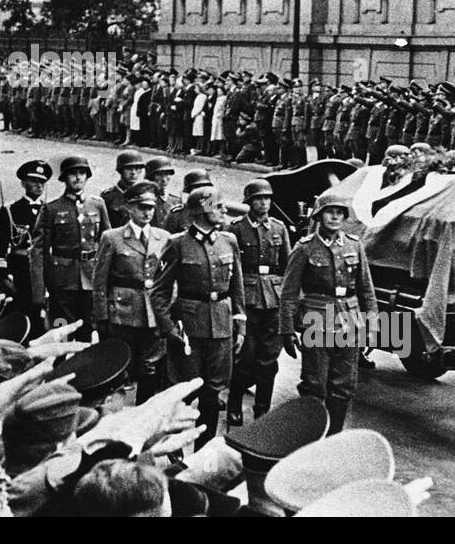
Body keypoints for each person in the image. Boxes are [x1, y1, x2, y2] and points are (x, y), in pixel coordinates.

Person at [280, 195, 377, 434]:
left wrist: (372, 326)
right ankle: (309, 439)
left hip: (349, 322)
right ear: (318, 216)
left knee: (344, 385)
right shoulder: (305, 248)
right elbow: (289, 293)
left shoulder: (354, 245)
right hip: (316, 320)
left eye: (339, 212)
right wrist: (287, 330)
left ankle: (334, 438)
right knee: (315, 384)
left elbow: (366, 289)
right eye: (329, 212)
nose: (334, 217)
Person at [156, 186, 245, 448]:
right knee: (183, 391)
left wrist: (240, 326)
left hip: (222, 328)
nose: (224, 211)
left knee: (213, 393)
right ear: (203, 209)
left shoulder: (229, 241)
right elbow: (158, 293)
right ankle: (171, 449)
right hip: (189, 331)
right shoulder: (177, 244)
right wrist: (170, 330)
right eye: (219, 206)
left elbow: (236, 288)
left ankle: (203, 450)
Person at [93, 180, 171, 404]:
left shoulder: (163, 237)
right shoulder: (112, 237)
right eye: (141, 207)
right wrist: (102, 317)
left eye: (151, 208)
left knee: (150, 367)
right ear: (129, 208)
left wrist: (168, 311)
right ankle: (111, 415)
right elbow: (100, 281)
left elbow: (169, 279)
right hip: (122, 312)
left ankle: (143, 410)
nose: (147, 213)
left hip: (153, 313)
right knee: (119, 365)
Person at [225, 179, 290, 427]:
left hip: (273, 298)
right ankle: (234, 406)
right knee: (245, 358)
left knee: (269, 360)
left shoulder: (279, 228)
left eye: (267, 199)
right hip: (247, 297)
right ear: (249, 202)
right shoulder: (237, 229)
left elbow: (286, 265)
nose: (264, 203)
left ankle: (262, 409)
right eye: (259, 199)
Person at [31, 156, 109, 339]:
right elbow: (38, 251)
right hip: (62, 281)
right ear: (65, 178)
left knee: (87, 330)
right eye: (73, 174)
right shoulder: (51, 209)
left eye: (82, 173)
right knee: (61, 331)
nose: (78, 178)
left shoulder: (97, 204)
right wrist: (39, 292)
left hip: (90, 278)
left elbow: (107, 244)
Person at [0, 161, 51, 336]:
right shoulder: (10, 210)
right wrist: (2, 277)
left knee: (44, 314)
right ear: (23, 183)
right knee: (18, 313)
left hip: (43, 270)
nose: (39, 185)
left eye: (42, 182)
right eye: (33, 181)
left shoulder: (49, 210)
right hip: (19, 270)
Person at [100, 151, 145, 230]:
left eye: (137, 168)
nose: (133, 172)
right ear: (120, 170)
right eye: (129, 168)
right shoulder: (108, 197)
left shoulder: (145, 194)